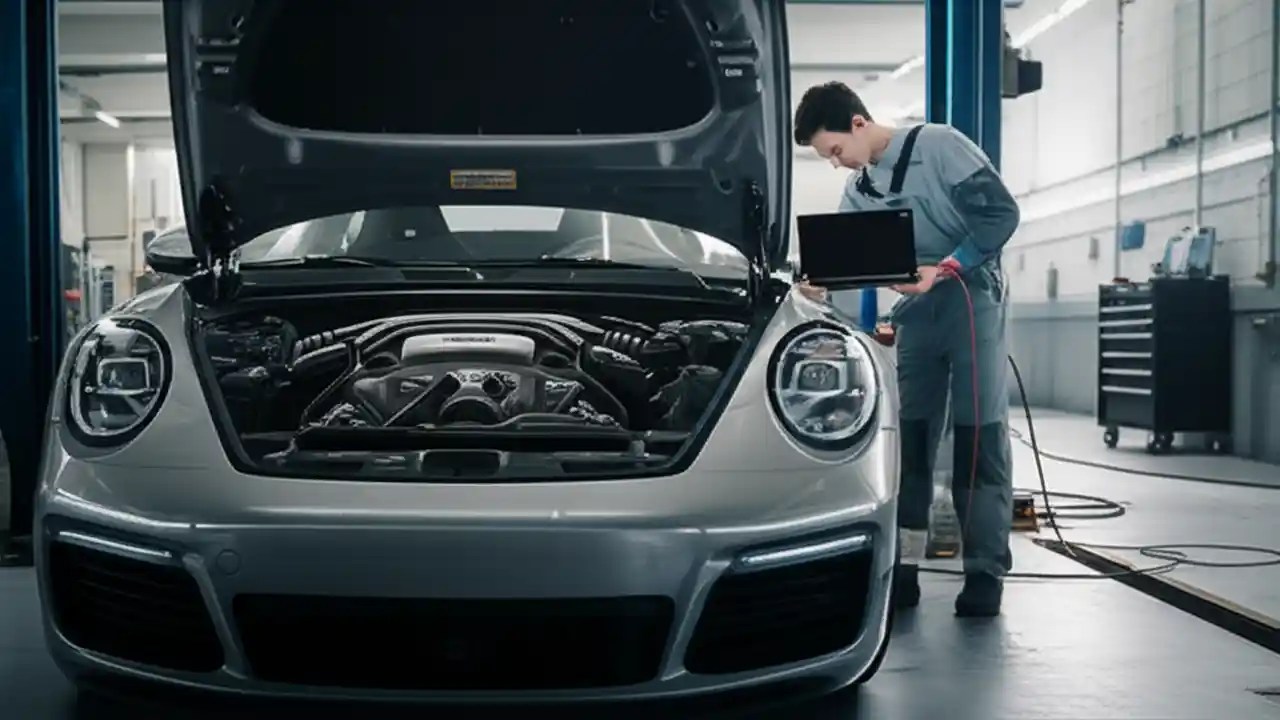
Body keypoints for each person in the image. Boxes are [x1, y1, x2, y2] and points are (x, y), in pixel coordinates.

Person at [793, 81, 1020, 617]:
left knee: (977, 437)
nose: (835, 163)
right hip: (916, 316)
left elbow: (999, 216)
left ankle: (984, 571)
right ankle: (907, 566)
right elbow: (845, 259)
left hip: (970, 300)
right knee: (912, 444)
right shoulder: (861, 189)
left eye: (834, 151)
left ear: (857, 124)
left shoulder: (939, 146)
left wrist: (945, 267)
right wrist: (814, 282)